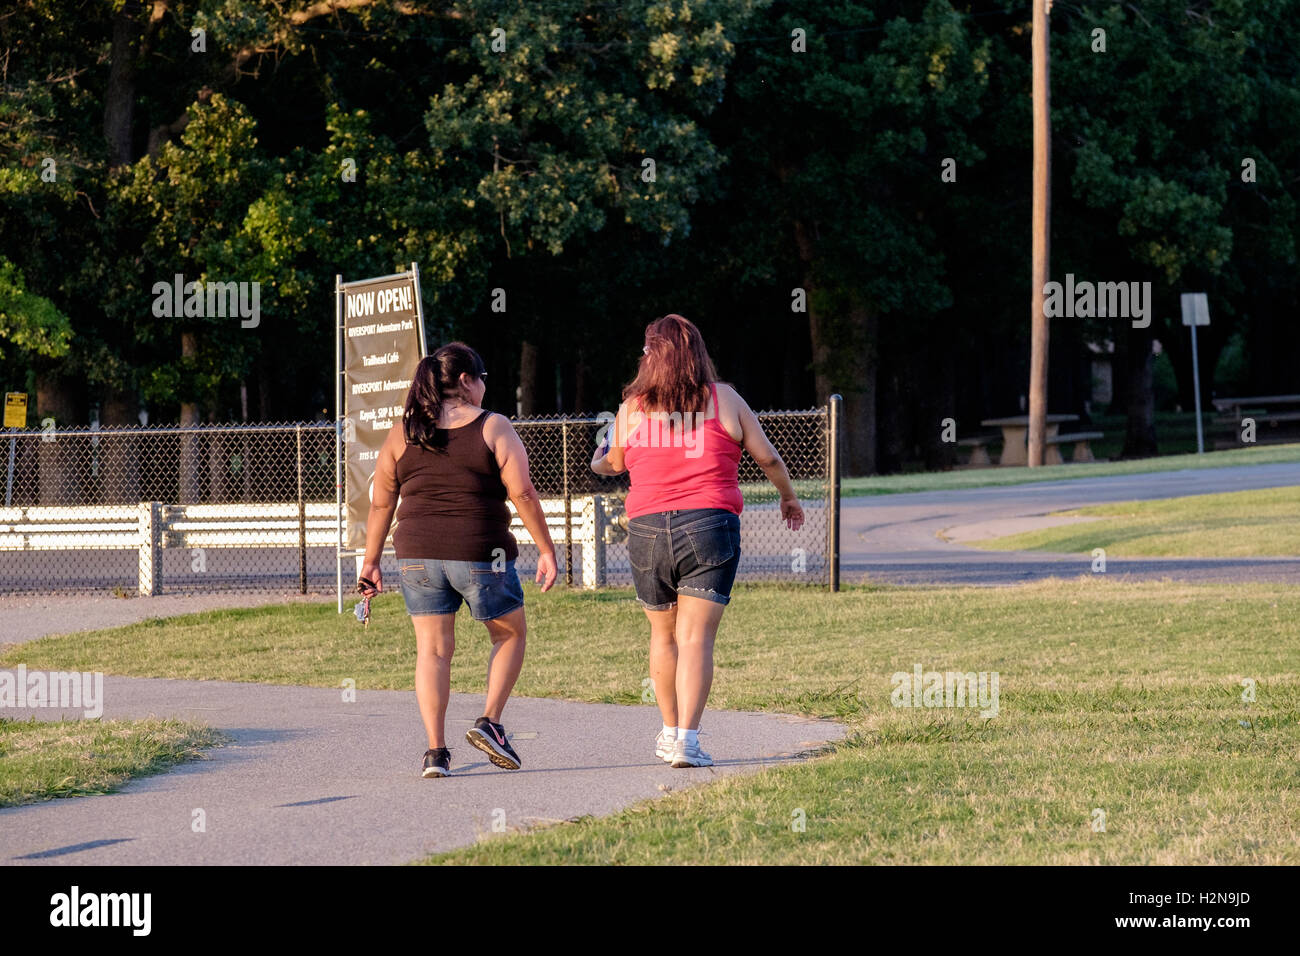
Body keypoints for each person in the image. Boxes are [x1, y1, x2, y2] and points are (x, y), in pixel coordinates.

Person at [591, 314, 804, 768]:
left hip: (647, 530)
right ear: (697, 354)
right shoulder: (725, 399)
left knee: (662, 636)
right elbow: (768, 457)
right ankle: (687, 740)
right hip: (710, 525)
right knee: (696, 640)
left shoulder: (633, 407)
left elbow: (612, 464)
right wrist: (788, 498)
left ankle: (669, 734)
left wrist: (598, 459)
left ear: (651, 357)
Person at [359, 342, 558, 778]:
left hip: (415, 554)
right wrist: (546, 548)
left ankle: (435, 753)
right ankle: (490, 722)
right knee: (509, 635)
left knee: (432, 651)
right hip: (479, 551)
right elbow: (522, 492)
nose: (486, 385)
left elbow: (380, 504)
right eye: (483, 377)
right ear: (467, 381)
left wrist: (370, 561)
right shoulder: (493, 426)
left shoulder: (403, 432)